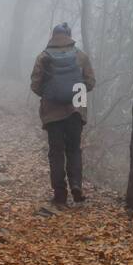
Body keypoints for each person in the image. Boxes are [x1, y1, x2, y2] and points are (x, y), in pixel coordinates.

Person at [30, 23, 95, 206]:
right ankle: (76, 185)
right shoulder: (80, 55)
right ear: (69, 36)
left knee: (56, 152)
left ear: (53, 36)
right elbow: (90, 82)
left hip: (52, 113)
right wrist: (75, 93)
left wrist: (51, 93)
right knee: (74, 150)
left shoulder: (43, 57)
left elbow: (35, 85)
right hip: (76, 111)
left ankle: (60, 194)